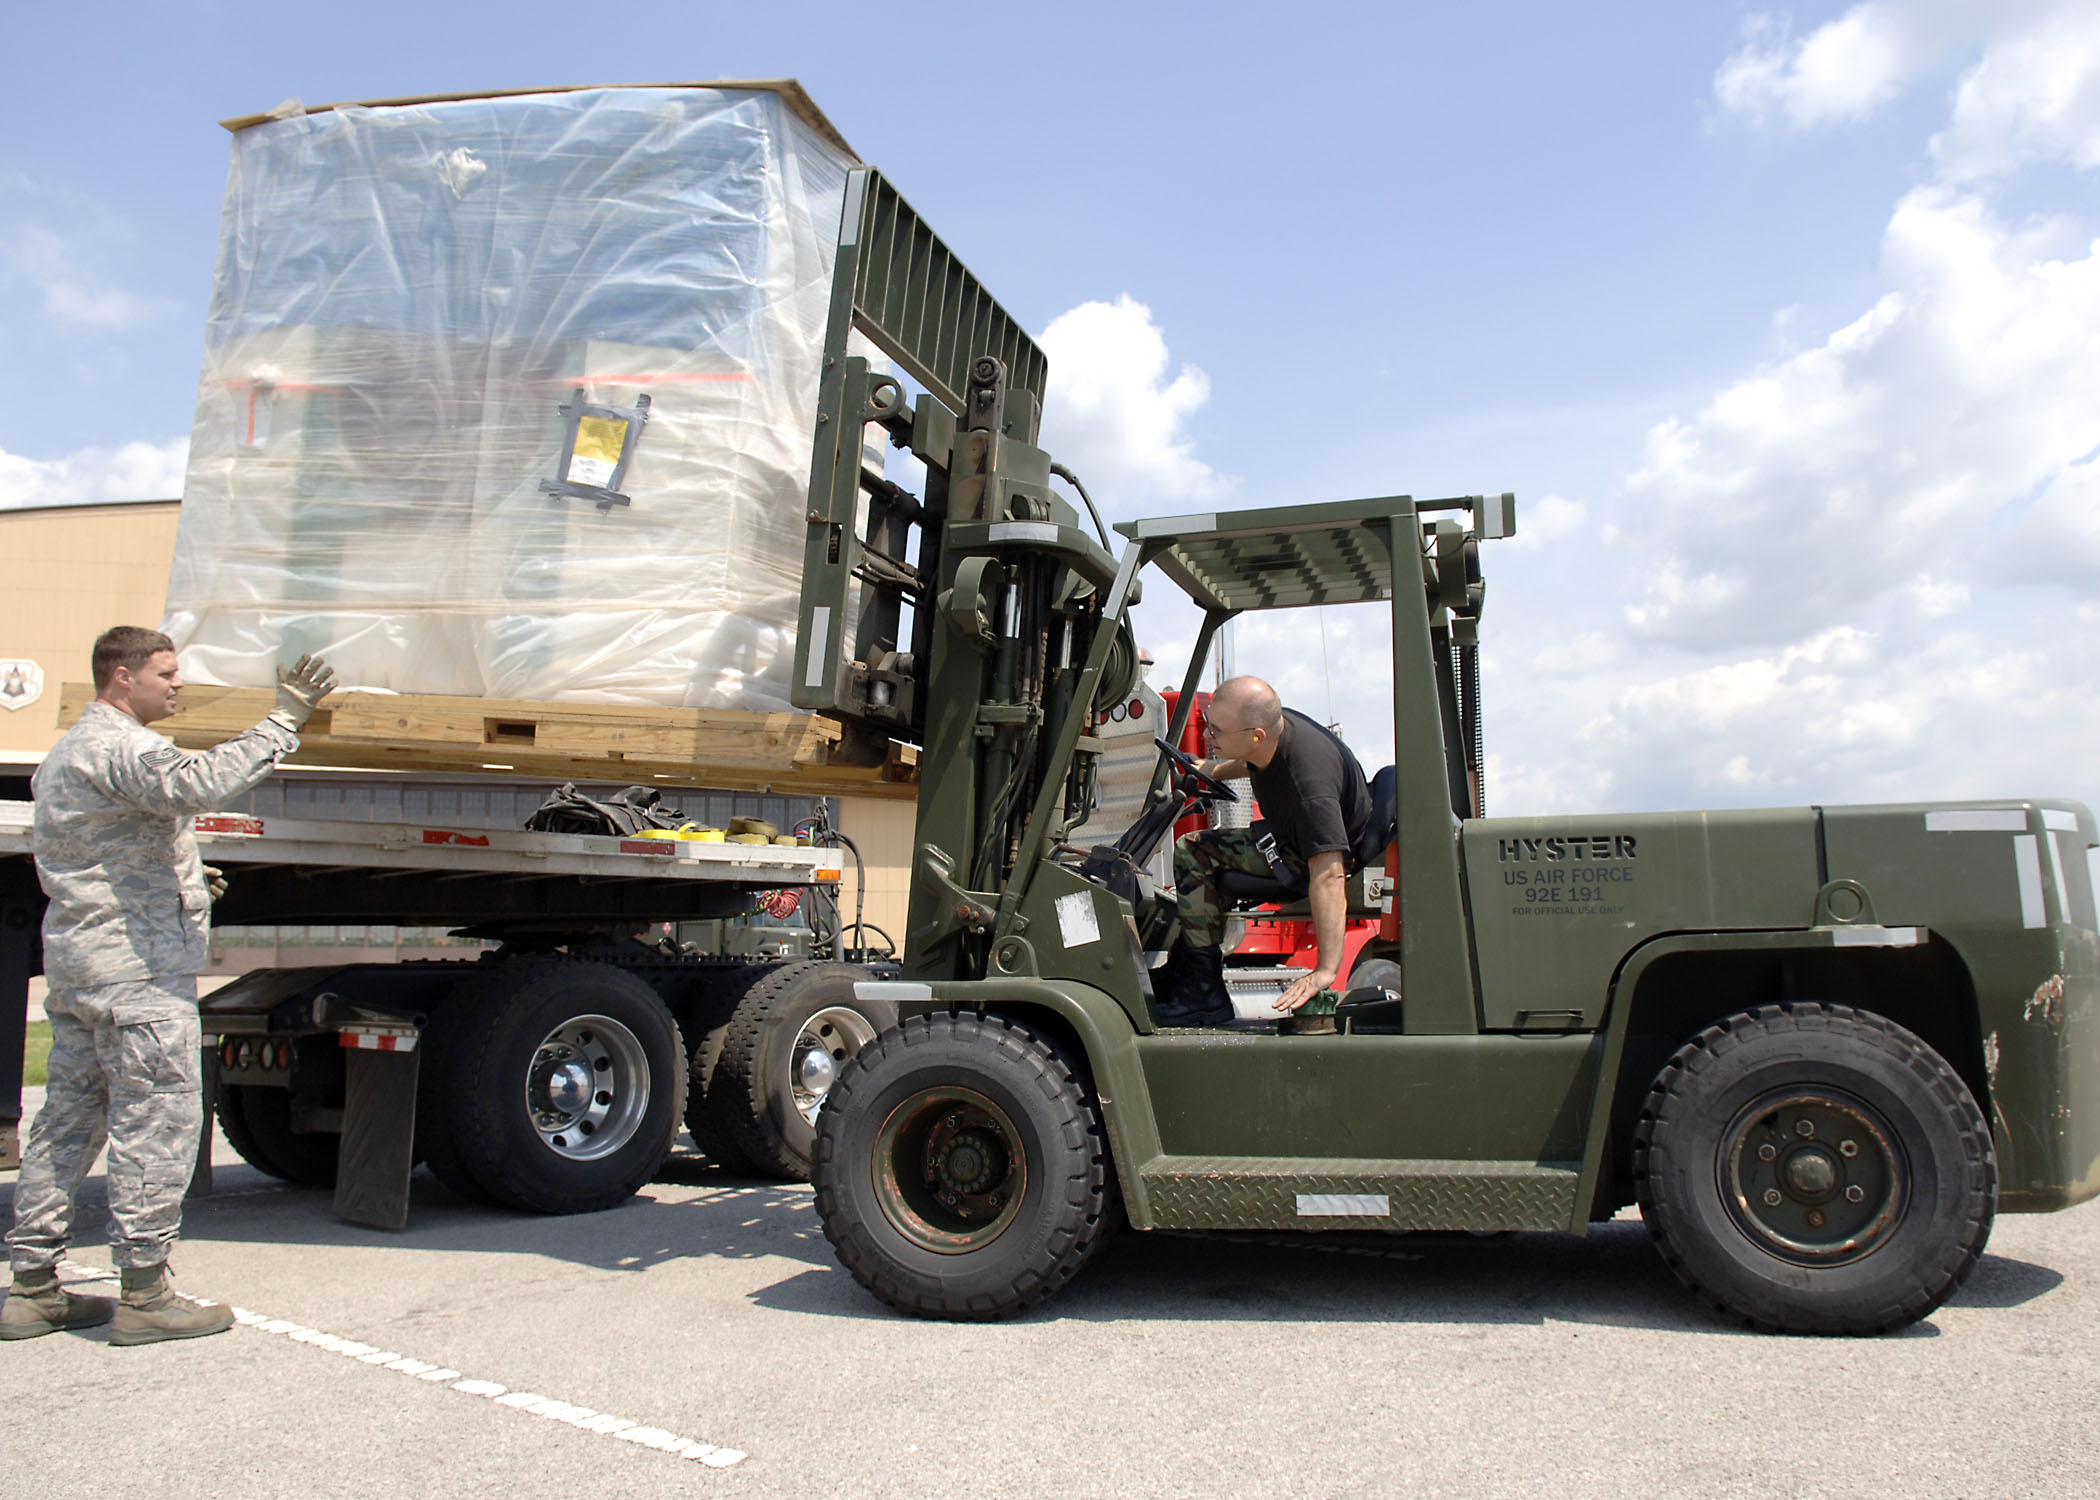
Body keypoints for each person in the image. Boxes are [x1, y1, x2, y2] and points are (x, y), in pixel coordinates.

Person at [2, 627, 333, 1344]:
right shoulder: (123, 745)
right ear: (122, 678)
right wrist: (285, 719)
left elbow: (101, 846)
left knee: (66, 1127)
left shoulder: (66, 754)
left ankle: (32, 1287)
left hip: (84, 969)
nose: (177, 684)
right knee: (156, 1125)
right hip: (139, 978)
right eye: (165, 672)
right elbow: (196, 783)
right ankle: (146, 1293)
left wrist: (182, 877)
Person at [1153, 676, 1375, 1027]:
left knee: (1192, 851)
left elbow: (1329, 873)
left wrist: (1325, 971)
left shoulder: (1310, 788)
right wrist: (1213, 770)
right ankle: (1187, 967)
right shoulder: (1274, 731)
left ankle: (1204, 993)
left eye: (1216, 731)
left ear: (1256, 734)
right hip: (1297, 839)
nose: (1208, 735)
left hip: (1307, 859)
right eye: (1208, 724)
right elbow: (1253, 760)